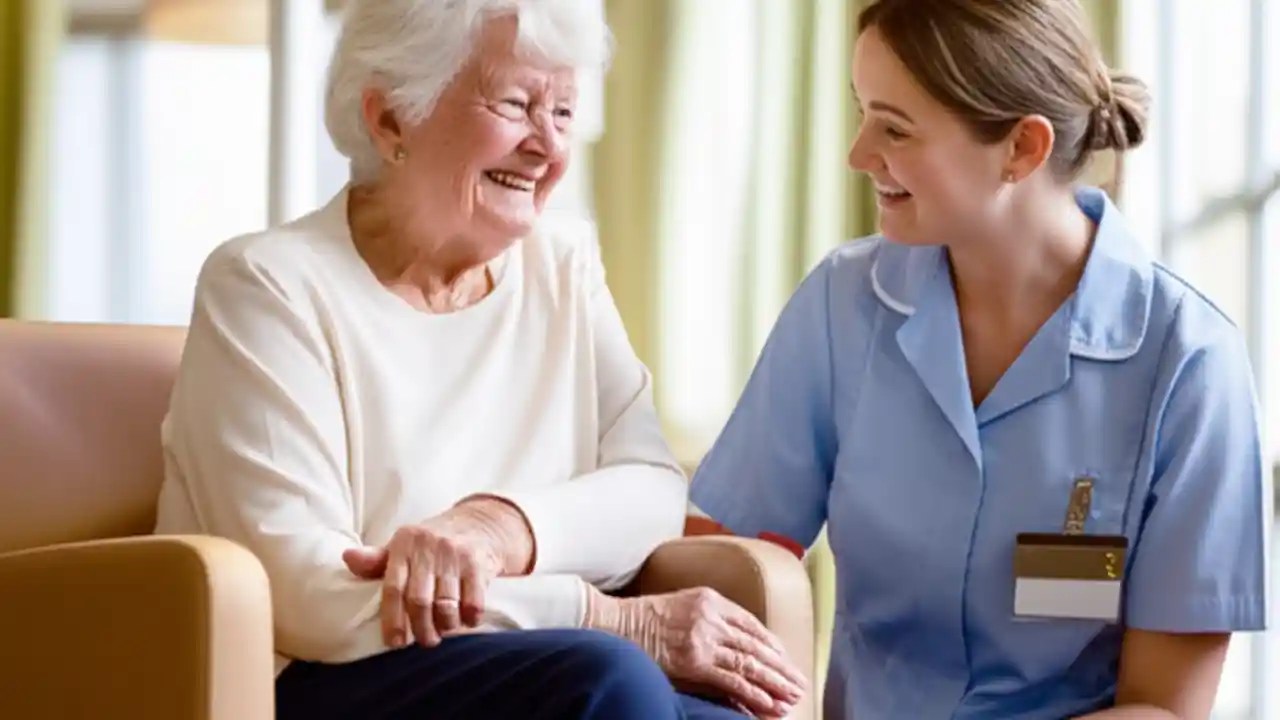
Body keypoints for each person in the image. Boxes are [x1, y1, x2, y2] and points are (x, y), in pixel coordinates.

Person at [152, 1, 805, 718]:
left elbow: (650, 487)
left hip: (543, 668)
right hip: (334, 676)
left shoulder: (563, 267)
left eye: (563, 112)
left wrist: (501, 529)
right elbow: (310, 594)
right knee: (615, 677)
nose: (547, 147)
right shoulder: (267, 286)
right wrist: (603, 615)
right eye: (519, 103)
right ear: (391, 117)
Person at [689, 1, 1268, 719]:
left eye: (895, 128)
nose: (858, 154)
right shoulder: (840, 308)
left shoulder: (1189, 367)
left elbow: (1165, 708)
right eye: (862, 112)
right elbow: (722, 578)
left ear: (1021, 149)